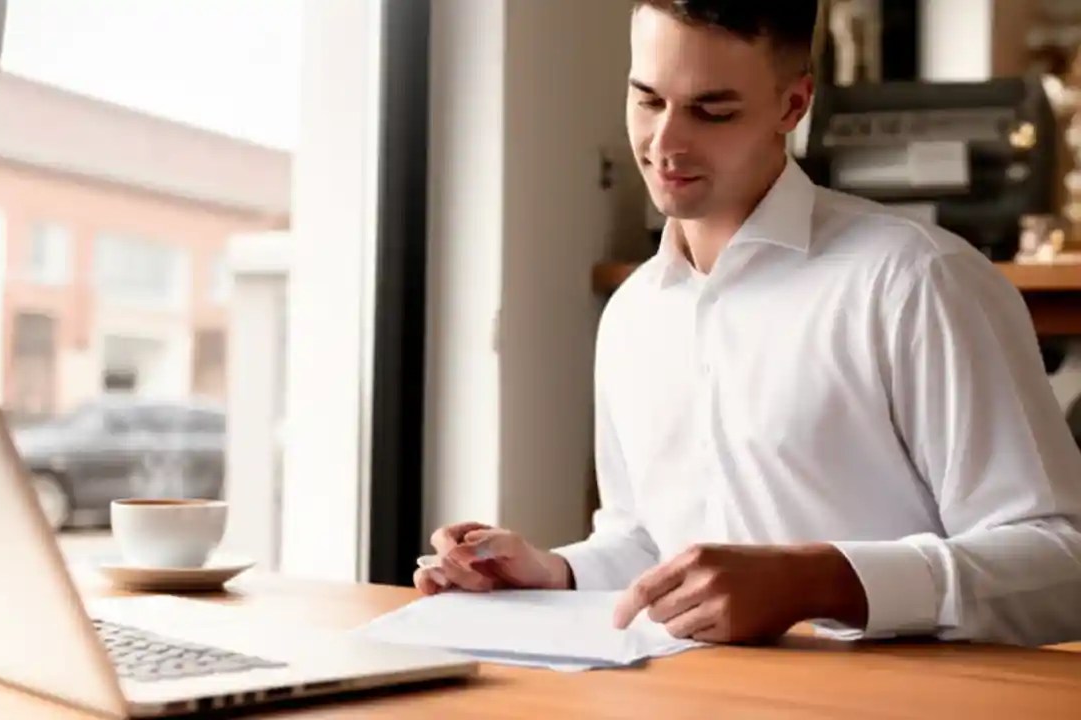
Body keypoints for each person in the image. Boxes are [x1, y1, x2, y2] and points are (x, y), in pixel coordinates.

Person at [415, 0, 1081, 647]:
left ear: (793, 105)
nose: (665, 143)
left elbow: (1063, 566)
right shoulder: (633, 314)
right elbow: (653, 544)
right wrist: (555, 574)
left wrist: (821, 581)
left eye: (711, 110)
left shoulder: (915, 282)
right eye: (647, 99)